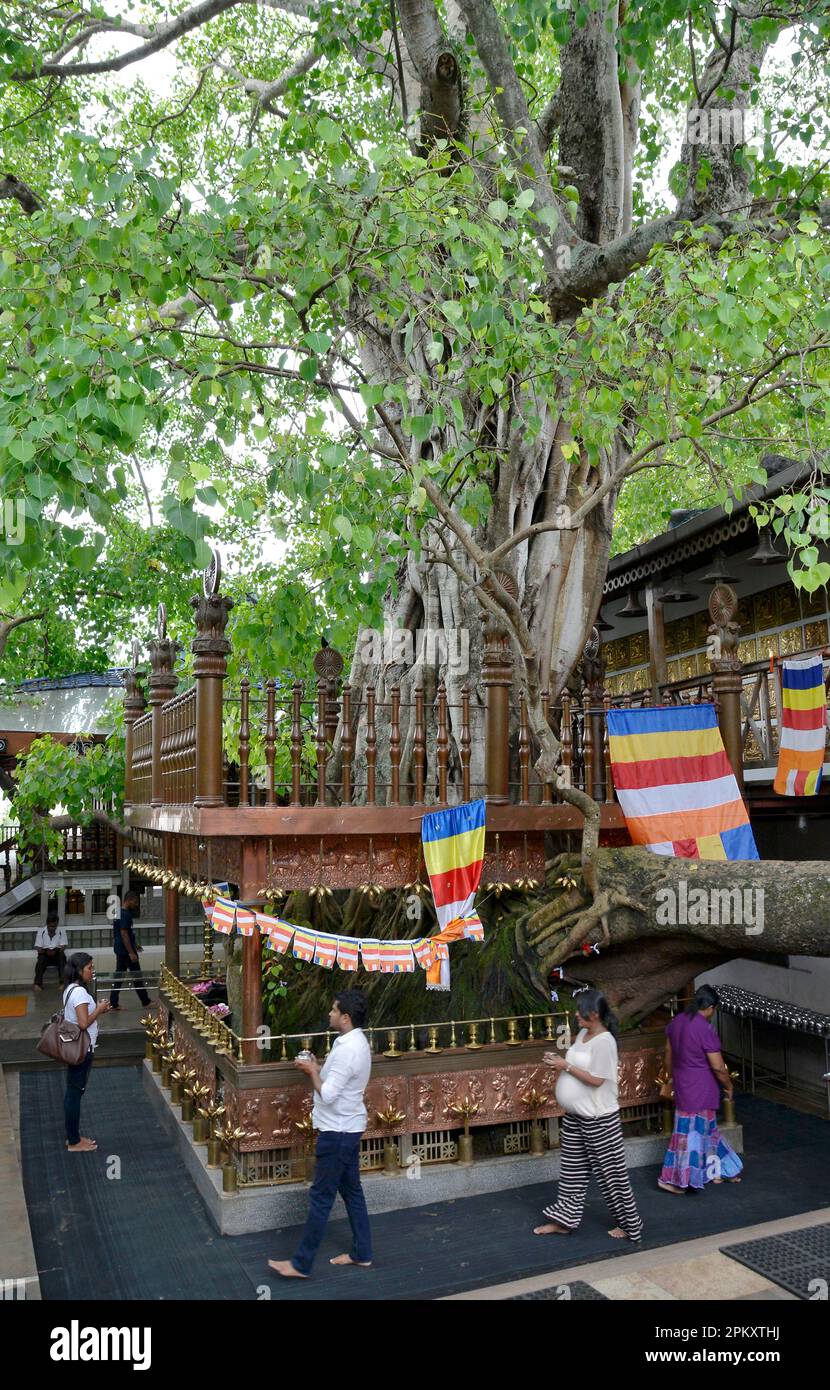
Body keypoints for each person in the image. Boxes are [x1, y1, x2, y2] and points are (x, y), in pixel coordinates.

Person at [268, 990, 373, 1279]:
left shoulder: (349, 1049)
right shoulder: (355, 1041)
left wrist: (312, 1071)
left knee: (321, 1197)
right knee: (352, 1191)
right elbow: (334, 1082)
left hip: (338, 1131)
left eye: (334, 1010)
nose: (329, 1013)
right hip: (348, 1127)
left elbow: (326, 1093)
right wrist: (317, 1067)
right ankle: (362, 1253)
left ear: (346, 1018)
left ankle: (301, 1263)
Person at [534, 988, 643, 1243]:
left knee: (611, 1174)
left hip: (599, 1119)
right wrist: (558, 1061)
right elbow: (578, 1065)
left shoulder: (605, 1042)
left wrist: (565, 1066)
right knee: (572, 1172)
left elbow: (596, 1080)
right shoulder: (583, 1033)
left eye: (580, 1011)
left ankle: (631, 1226)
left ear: (594, 1014)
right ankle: (563, 1221)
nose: (575, 1015)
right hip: (575, 1116)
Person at [658, 983, 743, 1194]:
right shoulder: (704, 1028)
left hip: (683, 1086)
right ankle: (671, 1179)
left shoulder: (677, 1021)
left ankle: (716, 1172)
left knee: (704, 1132)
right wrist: (729, 1086)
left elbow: (668, 1053)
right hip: (702, 1089)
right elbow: (718, 1066)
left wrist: (669, 1078)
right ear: (711, 1007)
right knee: (691, 1136)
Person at [62, 952, 112, 1152]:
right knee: (75, 1093)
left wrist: (98, 1010)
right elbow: (83, 1023)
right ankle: (74, 1141)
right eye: (89, 968)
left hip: (75, 1047)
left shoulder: (70, 989)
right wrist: (99, 1010)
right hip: (82, 1049)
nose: (92, 971)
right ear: (79, 970)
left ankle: (73, 1136)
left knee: (73, 1091)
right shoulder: (80, 993)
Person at [109, 889, 150, 1010]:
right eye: (136, 902)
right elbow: (124, 934)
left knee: (119, 976)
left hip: (121, 949)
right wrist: (131, 952)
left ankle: (113, 1002)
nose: (136, 905)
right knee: (137, 975)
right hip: (126, 951)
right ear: (130, 900)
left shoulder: (118, 913)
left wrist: (135, 944)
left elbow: (124, 933)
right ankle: (145, 1001)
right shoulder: (125, 914)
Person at [33, 911, 68, 990]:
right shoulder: (41, 931)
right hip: (44, 953)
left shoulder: (61, 931)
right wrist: (46, 951)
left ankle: (63, 983)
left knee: (62, 958)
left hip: (57, 953)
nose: (52, 928)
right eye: (51, 926)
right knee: (41, 960)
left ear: (57, 924)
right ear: (47, 924)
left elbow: (63, 946)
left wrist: (55, 951)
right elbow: (38, 948)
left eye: (54, 926)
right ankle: (37, 984)